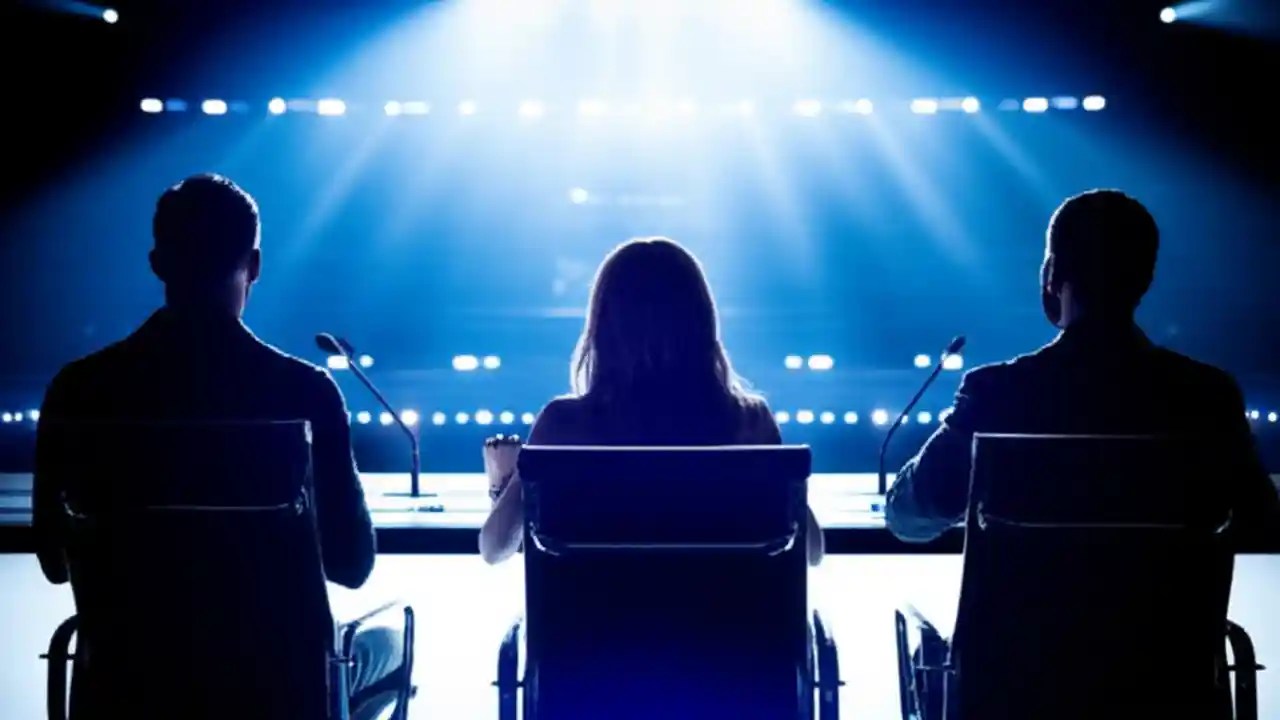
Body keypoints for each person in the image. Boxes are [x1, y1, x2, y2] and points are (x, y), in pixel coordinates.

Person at [32, 174, 400, 716]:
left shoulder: (79, 389)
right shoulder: (304, 392)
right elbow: (351, 564)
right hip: (276, 691)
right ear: (254, 265)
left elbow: (53, 561)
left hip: (126, 688)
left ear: (158, 264)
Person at [886, 189, 1278, 544]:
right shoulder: (1208, 395)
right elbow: (1260, 520)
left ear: (1052, 275)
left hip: (1024, 625)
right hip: (1164, 625)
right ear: (1145, 280)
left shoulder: (997, 391)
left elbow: (910, 517)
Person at [479, 236, 824, 566]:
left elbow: (495, 549)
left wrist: (504, 482)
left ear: (602, 327)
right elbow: (812, 551)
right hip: (727, 624)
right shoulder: (749, 424)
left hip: (590, 625)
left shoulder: (563, 425)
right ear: (702, 324)